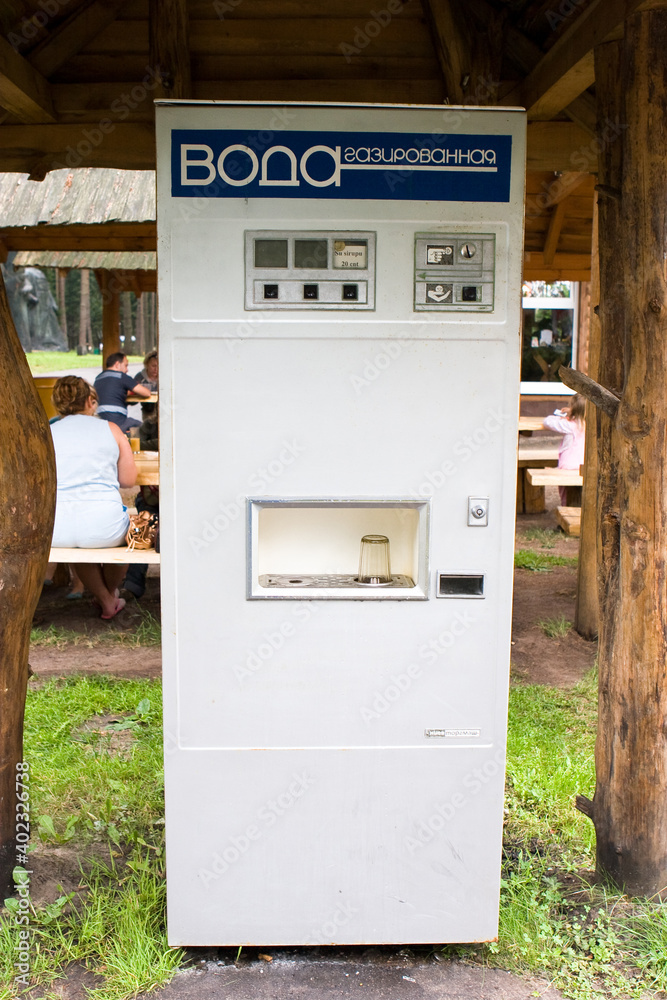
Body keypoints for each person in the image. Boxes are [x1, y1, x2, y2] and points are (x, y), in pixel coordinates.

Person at [50, 376, 137, 619]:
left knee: (78, 544)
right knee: (131, 533)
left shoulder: (46, 433)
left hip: (57, 529)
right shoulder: (111, 429)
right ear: (90, 401)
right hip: (105, 527)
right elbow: (128, 480)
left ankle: (106, 600)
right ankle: (109, 597)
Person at [542, 394, 585, 504]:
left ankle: (566, 507)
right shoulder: (592, 426)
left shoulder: (569, 425)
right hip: (585, 465)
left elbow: (547, 421)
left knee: (565, 492)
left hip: (568, 466)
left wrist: (563, 416)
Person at [93, 352, 151, 432]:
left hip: (100, 421)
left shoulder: (98, 378)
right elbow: (146, 393)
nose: (127, 370)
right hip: (118, 422)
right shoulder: (121, 376)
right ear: (117, 364)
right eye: (126, 365)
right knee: (146, 428)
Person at [134, 349, 158, 419]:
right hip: (147, 411)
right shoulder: (140, 377)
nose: (156, 369)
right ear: (146, 365)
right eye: (153, 366)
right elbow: (133, 400)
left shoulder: (164, 377)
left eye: (158, 366)